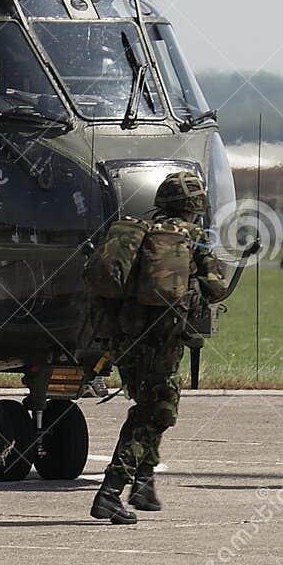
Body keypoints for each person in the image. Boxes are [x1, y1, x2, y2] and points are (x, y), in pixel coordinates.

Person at [91, 171, 226, 526]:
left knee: (148, 403)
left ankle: (143, 485)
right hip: (162, 340)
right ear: (194, 208)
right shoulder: (193, 237)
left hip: (124, 339)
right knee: (156, 412)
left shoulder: (136, 232)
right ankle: (110, 491)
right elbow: (217, 289)